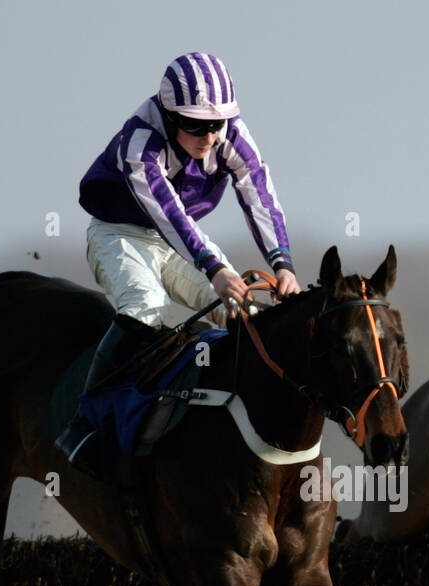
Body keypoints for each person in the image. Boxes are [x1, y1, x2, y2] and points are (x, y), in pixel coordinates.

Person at [56, 52, 302, 475]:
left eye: (216, 124)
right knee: (146, 307)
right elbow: (167, 213)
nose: (208, 136)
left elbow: (258, 193)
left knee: (239, 310)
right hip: (121, 233)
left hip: (181, 238)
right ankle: (82, 421)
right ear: (169, 117)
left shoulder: (232, 136)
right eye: (194, 125)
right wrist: (214, 268)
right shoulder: (140, 142)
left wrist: (282, 263)